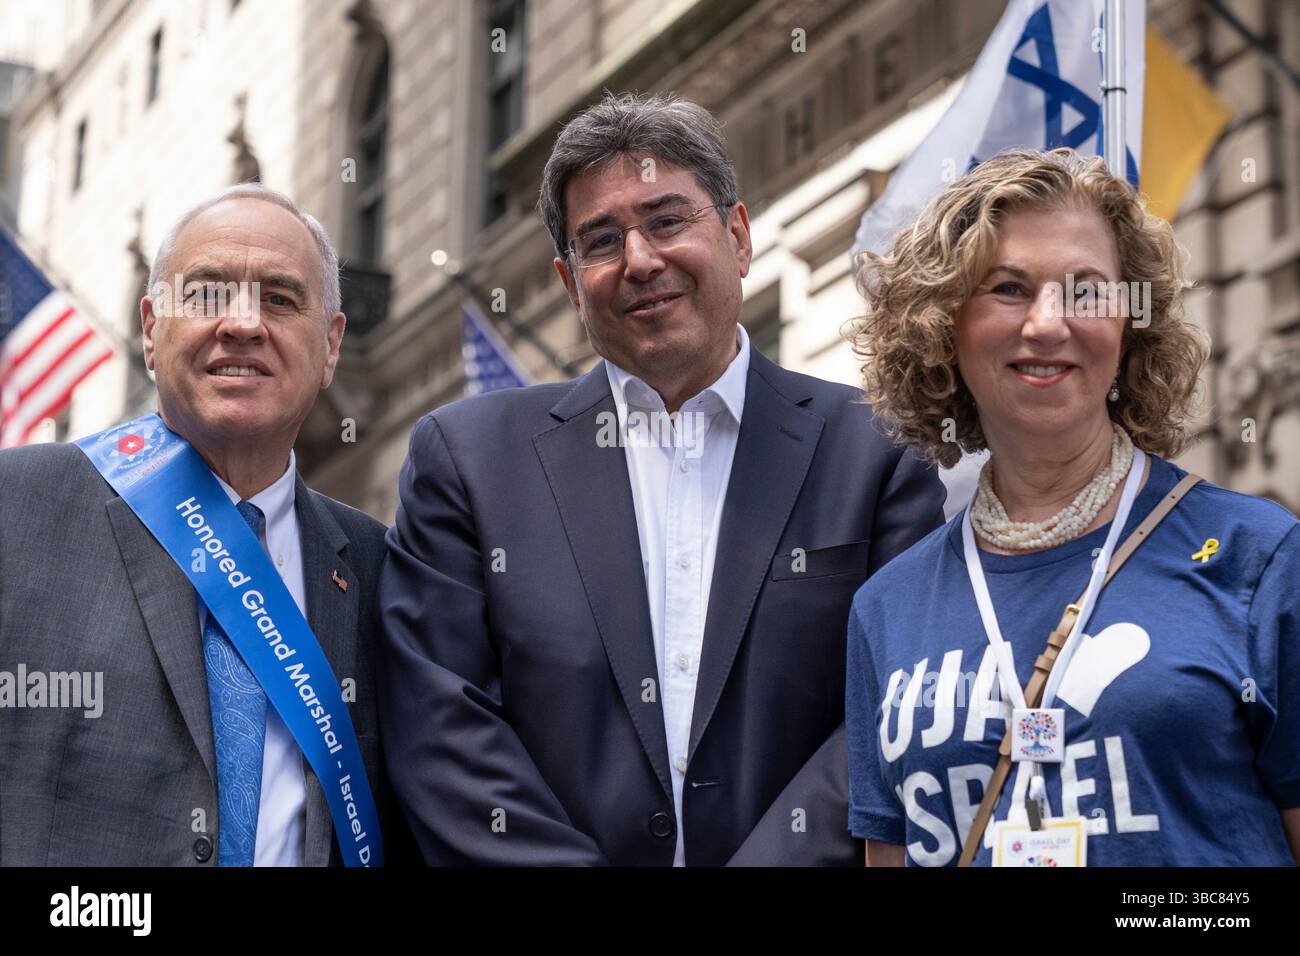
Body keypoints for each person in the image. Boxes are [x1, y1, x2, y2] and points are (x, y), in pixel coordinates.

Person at [379, 92, 945, 866]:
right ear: (571, 282)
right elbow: (441, 727)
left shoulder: (877, 448)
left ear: (738, 237)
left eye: (668, 220)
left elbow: (900, 703)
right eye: (602, 240)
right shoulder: (468, 460)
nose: (640, 260)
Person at [845, 147, 1300, 866]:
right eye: (1008, 288)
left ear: (1127, 325)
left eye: (1086, 290)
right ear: (943, 326)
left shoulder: (1261, 556)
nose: (1049, 323)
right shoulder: (887, 608)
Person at [0, 184, 411, 866]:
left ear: (331, 344)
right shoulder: (20, 507)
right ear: (152, 327)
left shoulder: (378, 567)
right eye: (209, 294)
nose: (244, 323)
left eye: (281, 298)